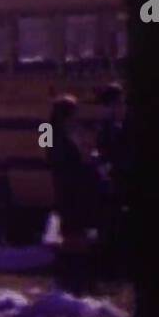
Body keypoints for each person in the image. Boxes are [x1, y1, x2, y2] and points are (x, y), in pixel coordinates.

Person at [47, 94, 107, 294]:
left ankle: (71, 277)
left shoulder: (51, 132)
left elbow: (45, 150)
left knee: (72, 233)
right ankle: (75, 278)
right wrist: (87, 161)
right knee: (76, 235)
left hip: (64, 189)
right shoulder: (62, 136)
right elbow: (68, 162)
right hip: (73, 191)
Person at [94, 82, 132, 280]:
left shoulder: (128, 126)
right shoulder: (106, 129)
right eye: (116, 104)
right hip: (115, 182)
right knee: (112, 225)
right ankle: (112, 267)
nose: (121, 108)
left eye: (122, 104)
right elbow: (104, 153)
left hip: (126, 180)